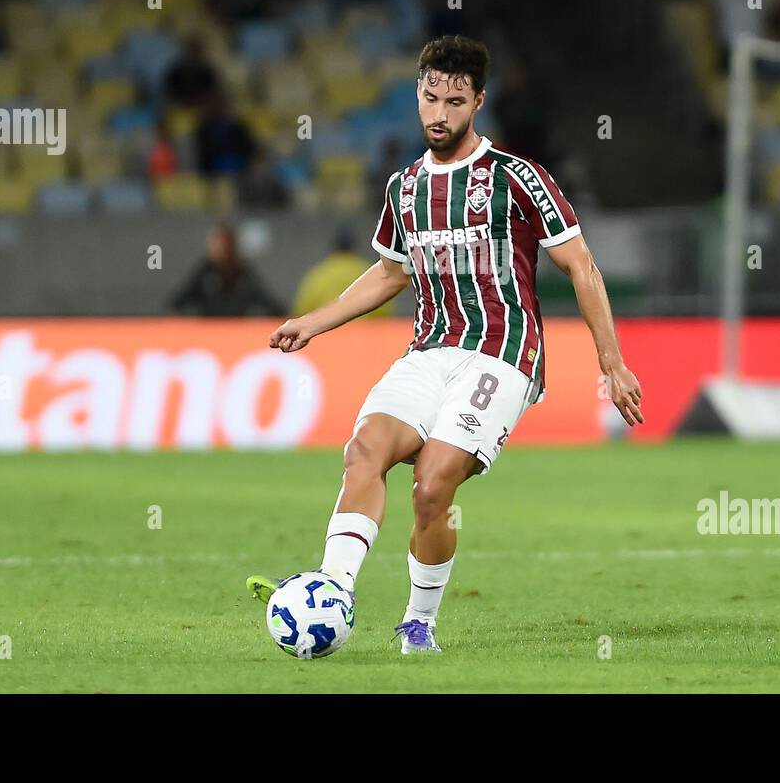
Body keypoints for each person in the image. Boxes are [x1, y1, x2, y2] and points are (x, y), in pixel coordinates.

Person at [247, 36, 643, 654]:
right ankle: (333, 590)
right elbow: (389, 272)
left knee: (432, 487)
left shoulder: (518, 178)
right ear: (418, 95)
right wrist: (316, 320)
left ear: (477, 102)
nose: (440, 113)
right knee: (363, 451)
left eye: (455, 102)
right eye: (431, 98)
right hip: (428, 350)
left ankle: (418, 622)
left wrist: (611, 364)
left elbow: (582, 267)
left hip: (502, 353)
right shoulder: (405, 188)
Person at [167, 224, 283, 317]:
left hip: (237, 331)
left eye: (220, 245)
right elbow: (178, 301)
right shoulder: (205, 272)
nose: (215, 249)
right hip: (208, 331)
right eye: (213, 245)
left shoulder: (242, 272)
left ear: (231, 247)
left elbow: (268, 302)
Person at [293, 227, 391, 318]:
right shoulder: (368, 272)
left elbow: (301, 312)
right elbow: (384, 313)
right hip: (363, 334)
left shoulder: (318, 275)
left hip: (328, 335)